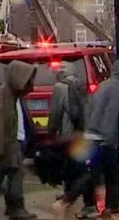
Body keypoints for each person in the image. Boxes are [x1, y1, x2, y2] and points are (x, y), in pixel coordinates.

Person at [59, 60, 119, 220]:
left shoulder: (103, 85)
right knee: (112, 174)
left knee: (93, 174)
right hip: (106, 138)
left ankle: (69, 201)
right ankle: (112, 208)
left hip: (91, 135)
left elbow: (90, 107)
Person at [0, 60, 38, 220]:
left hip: (19, 140)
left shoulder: (16, 97)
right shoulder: (3, 97)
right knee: (15, 176)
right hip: (11, 142)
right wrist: (0, 148)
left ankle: (12, 206)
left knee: (14, 176)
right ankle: (17, 207)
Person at [48, 69, 96, 219]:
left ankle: (67, 197)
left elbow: (55, 113)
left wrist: (51, 134)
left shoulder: (59, 87)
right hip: (84, 133)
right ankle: (89, 204)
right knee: (84, 168)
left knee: (69, 167)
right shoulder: (81, 84)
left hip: (68, 134)